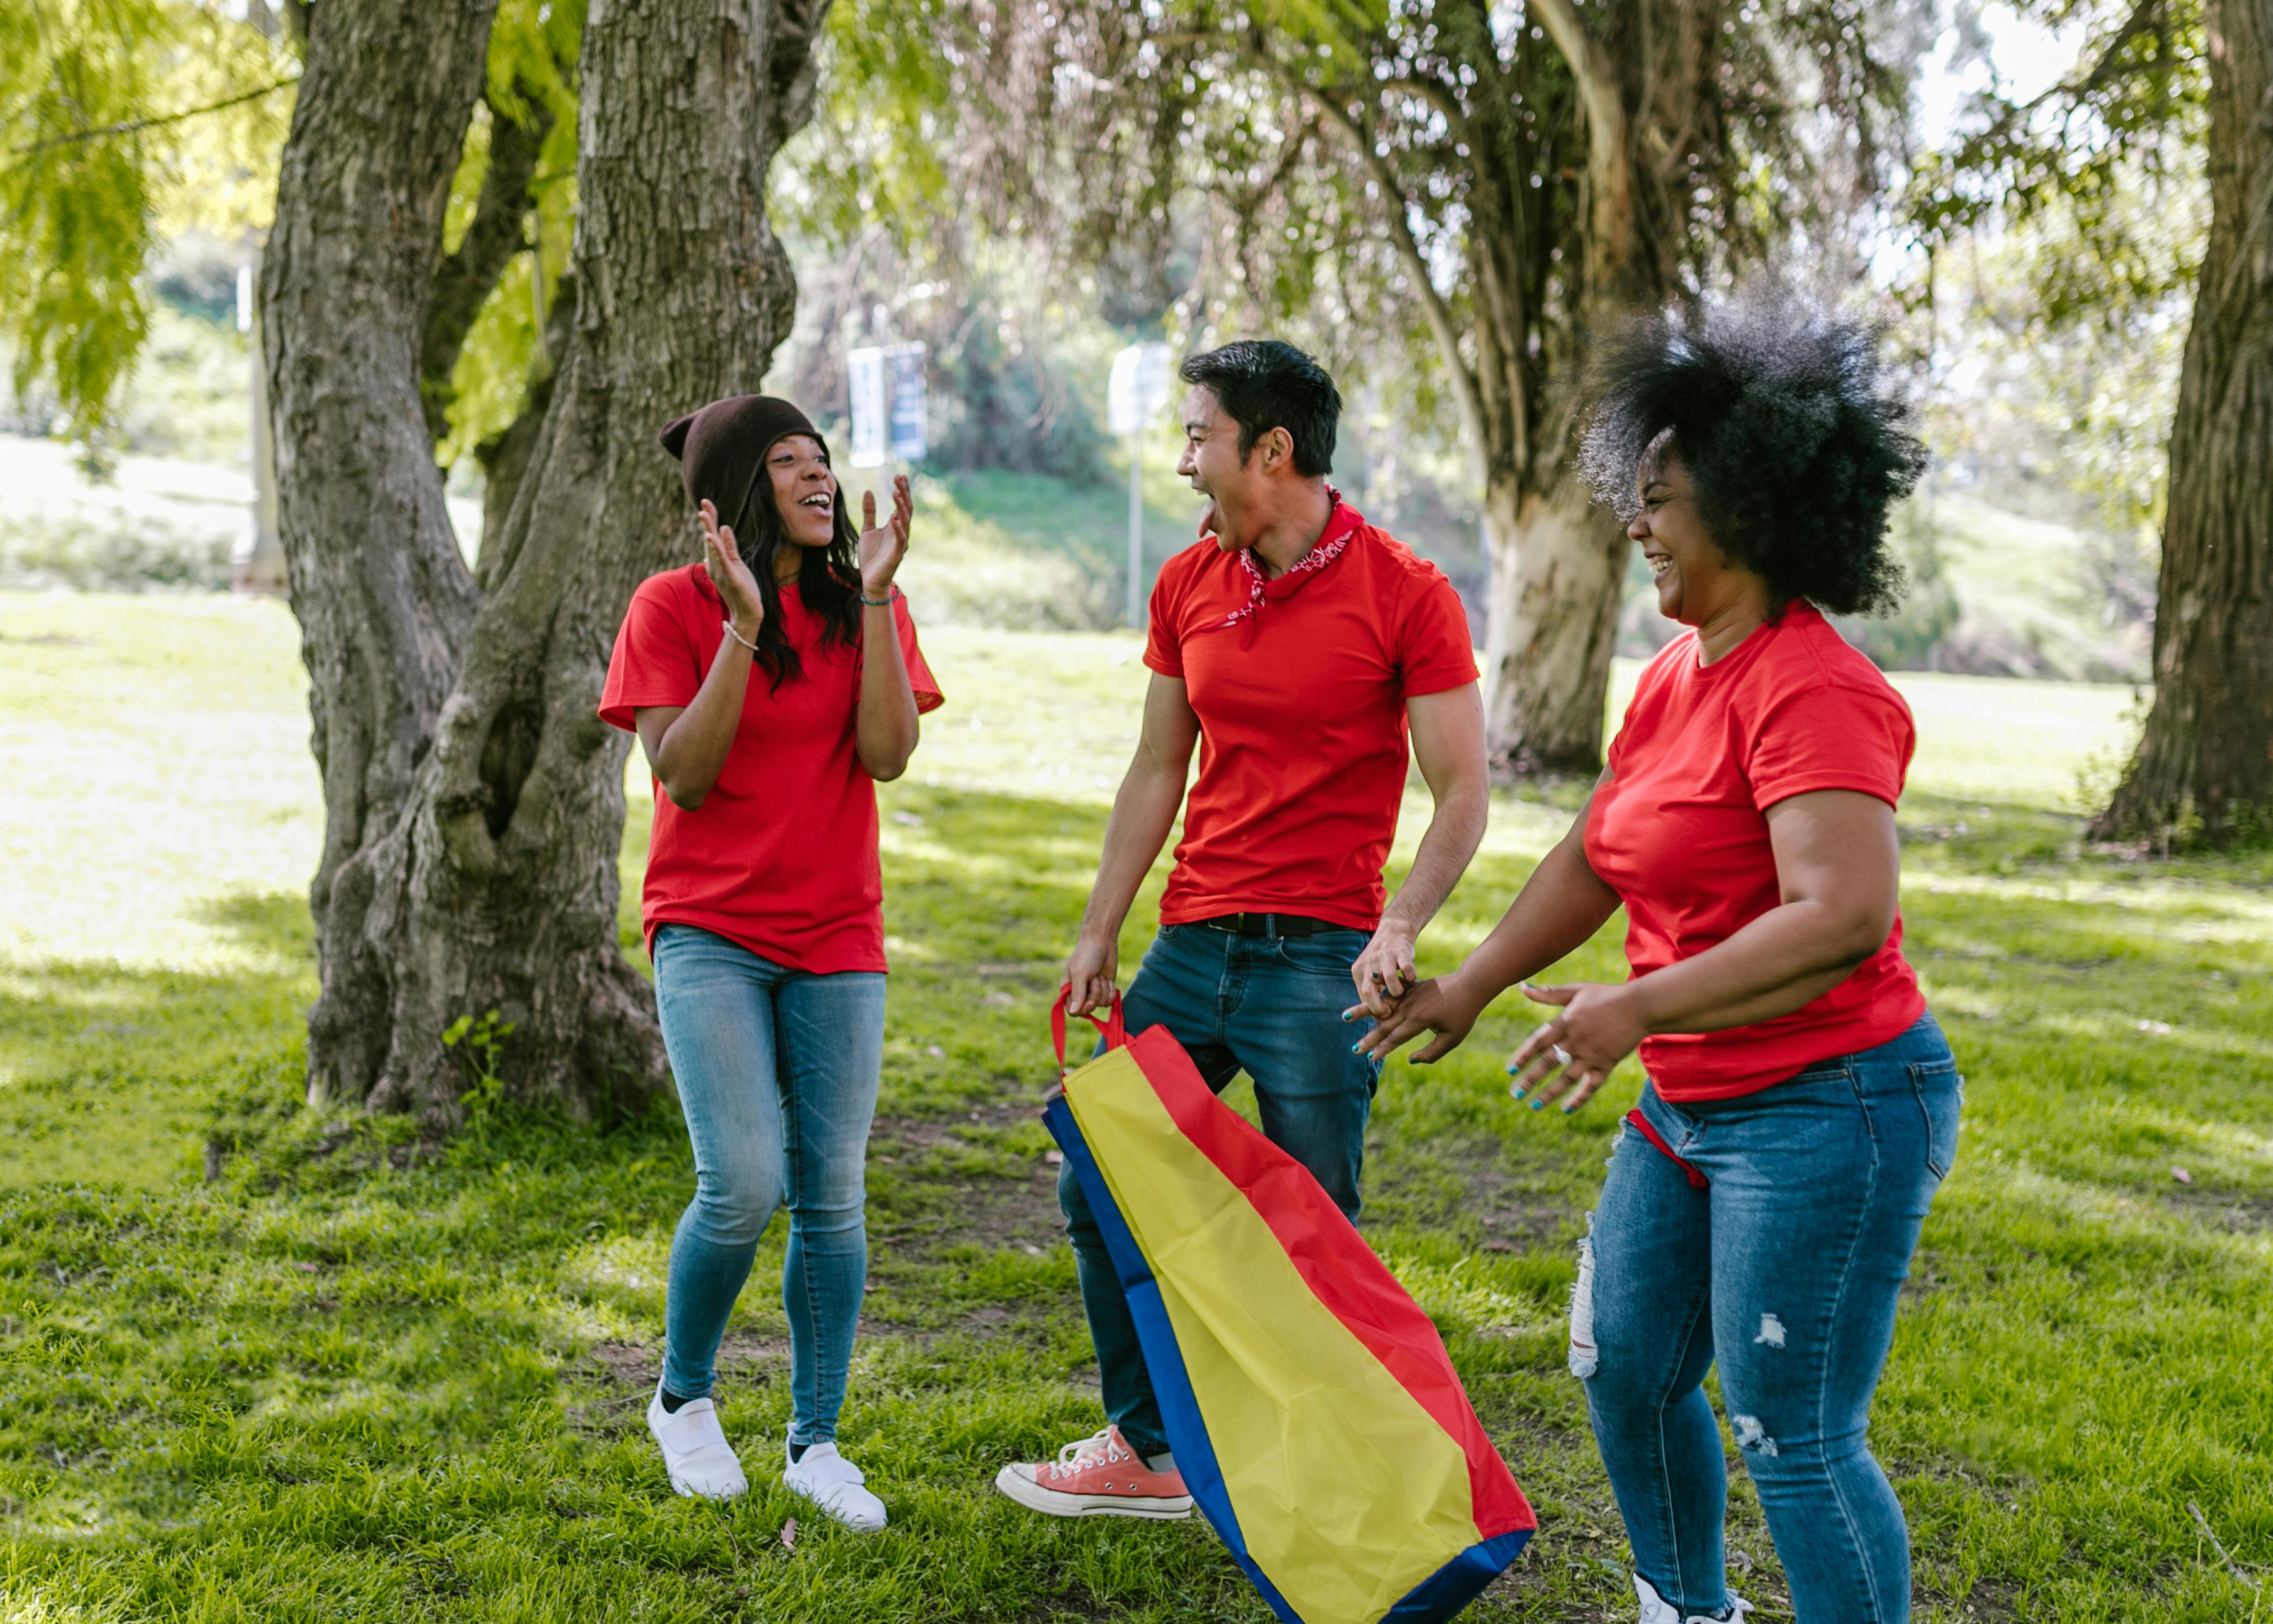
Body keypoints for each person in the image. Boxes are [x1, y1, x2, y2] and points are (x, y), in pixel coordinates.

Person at [1359, 301, 1953, 1624]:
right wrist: (1473, 981)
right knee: (1624, 1367)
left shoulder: (1818, 689)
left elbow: (1842, 912)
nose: (1636, 522)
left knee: (1790, 1431)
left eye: (1661, 498)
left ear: (1745, 506)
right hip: (1694, 1102)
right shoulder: (1676, 674)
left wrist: (1635, 1004)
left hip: (1829, 1105)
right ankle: (1687, 1610)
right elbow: (1598, 848)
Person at [995, 340, 1492, 1519]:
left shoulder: (1406, 590)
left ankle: (1336, 1472)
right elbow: (1157, 764)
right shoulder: (1188, 582)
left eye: (1197, 438)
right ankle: (1149, 1444)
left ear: (1270, 451)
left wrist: (1399, 925)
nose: (1182, 463)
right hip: (1193, 941)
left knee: (1314, 1225)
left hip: (1320, 956)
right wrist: (1097, 928)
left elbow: (1461, 789)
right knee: (1100, 1173)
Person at [597, 394, 942, 1531]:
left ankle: (815, 1443)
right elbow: (681, 777)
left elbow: (888, 756)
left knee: (832, 1199)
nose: (817, 479)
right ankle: (682, 1398)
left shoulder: (857, 606)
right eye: (788, 464)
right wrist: (743, 628)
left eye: (823, 461)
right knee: (744, 1181)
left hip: (837, 934)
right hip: (708, 932)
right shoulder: (669, 607)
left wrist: (882, 595)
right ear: (734, 497)